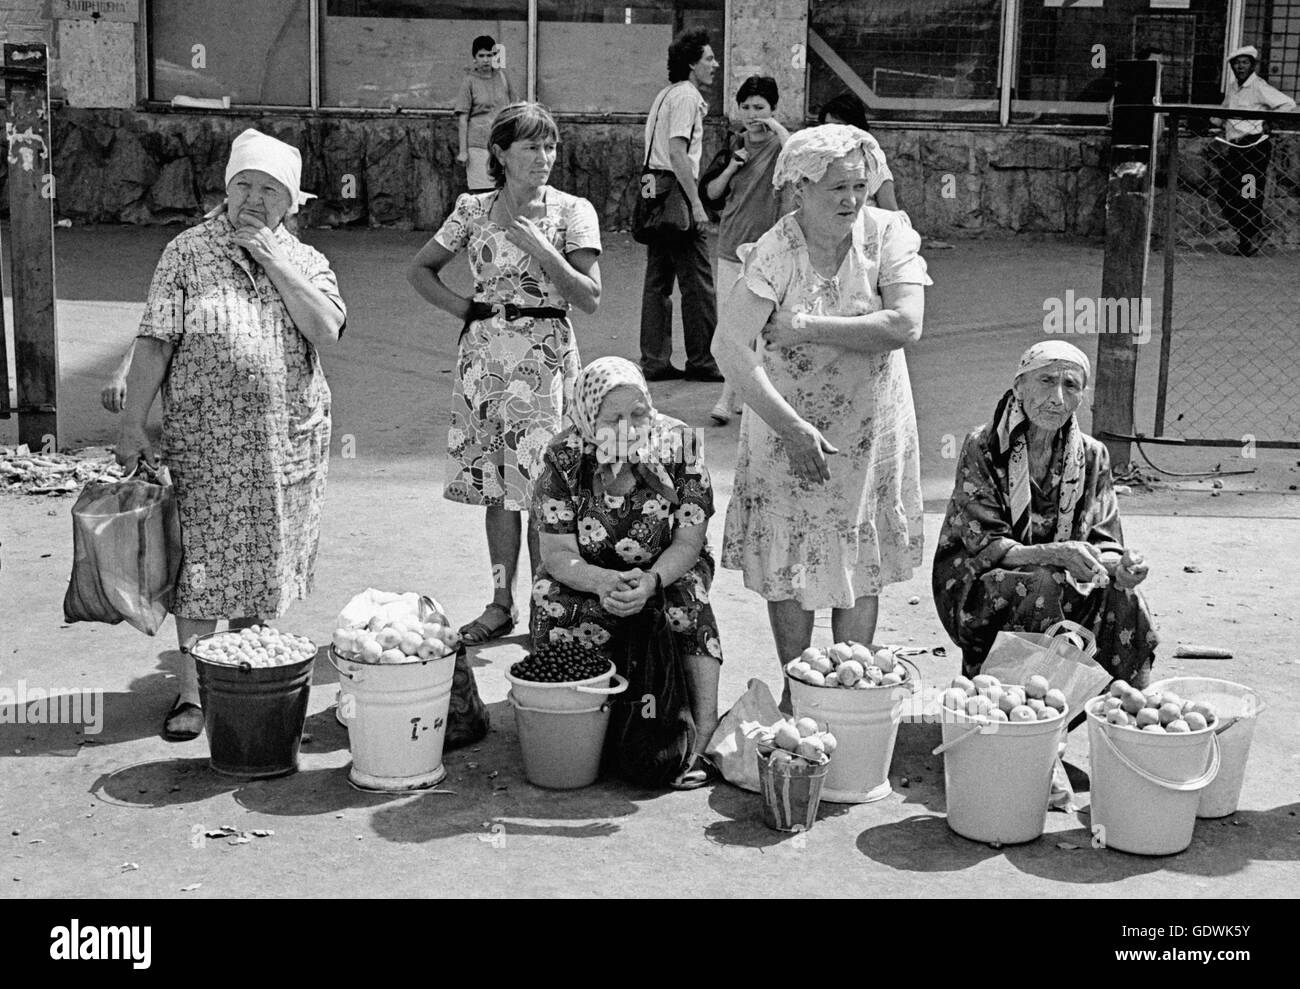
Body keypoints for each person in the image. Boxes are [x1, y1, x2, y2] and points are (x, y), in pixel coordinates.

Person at [114, 128, 346, 741]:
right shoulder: (185, 253)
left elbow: (325, 331)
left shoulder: (308, 262)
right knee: (200, 564)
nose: (253, 198)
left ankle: (241, 679)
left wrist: (272, 257)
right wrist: (133, 423)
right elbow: (154, 340)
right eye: (243, 184)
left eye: (269, 189)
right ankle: (192, 692)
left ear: (291, 202)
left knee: (263, 560)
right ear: (226, 188)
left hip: (286, 443)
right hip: (203, 442)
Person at [711, 124, 930, 711]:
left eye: (860, 185)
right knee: (790, 557)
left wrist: (804, 326)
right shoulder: (774, 251)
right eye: (836, 187)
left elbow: (905, 325)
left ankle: (848, 692)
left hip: (870, 432)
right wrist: (793, 428)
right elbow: (729, 347)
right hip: (786, 431)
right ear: (799, 189)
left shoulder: (888, 238)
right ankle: (800, 691)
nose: (851, 200)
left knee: (859, 559)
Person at [408, 102, 602, 645]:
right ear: (499, 153)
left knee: (544, 488)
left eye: (551, 147)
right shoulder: (473, 210)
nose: (544, 158)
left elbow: (589, 297)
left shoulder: (572, 212)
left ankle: (549, 602)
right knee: (497, 491)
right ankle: (501, 603)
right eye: (531, 148)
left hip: (544, 364)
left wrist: (546, 253)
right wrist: (465, 310)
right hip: (486, 364)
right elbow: (419, 270)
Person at [530, 357, 722, 788]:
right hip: (588, 570)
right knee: (553, 602)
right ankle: (574, 728)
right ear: (586, 416)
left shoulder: (680, 445)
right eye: (612, 418)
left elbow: (689, 541)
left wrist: (652, 580)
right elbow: (558, 552)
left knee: (687, 608)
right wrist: (601, 582)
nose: (628, 428)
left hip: (665, 566)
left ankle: (702, 736)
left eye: (638, 414)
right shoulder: (563, 457)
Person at [931, 341, 1158, 688]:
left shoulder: (1092, 454)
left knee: (1123, 597)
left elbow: (1103, 539)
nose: (1057, 398)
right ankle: (1015, 699)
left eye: (1070, 386)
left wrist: (1122, 566)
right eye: (1046, 381)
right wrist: (1056, 555)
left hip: (1062, 578)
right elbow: (984, 543)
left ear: (1082, 396)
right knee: (1041, 579)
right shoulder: (984, 445)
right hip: (981, 581)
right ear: (1019, 386)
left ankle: (1121, 710)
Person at [698, 75, 791, 426]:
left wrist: (776, 127)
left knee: (754, 327)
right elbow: (712, 193)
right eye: (747, 107)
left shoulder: (780, 146)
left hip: (766, 248)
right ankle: (737, 393)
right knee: (729, 325)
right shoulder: (732, 146)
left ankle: (729, 396)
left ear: (772, 110)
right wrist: (734, 165)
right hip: (730, 244)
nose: (753, 114)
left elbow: (796, 153)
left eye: (760, 108)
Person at [639, 28, 724, 383]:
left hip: (652, 189)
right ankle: (703, 360)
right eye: (708, 58)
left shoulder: (666, 95)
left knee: (658, 280)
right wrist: (697, 205)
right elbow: (677, 152)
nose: (715, 64)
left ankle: (655, 360)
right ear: (691, 64)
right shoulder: (687, 96)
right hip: (674, 193)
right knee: (698, 281)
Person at [1210, 45, 1296, 256]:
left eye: (1245, 62)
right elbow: (1223, 112)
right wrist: (1212, 121)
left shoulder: (1258, 86)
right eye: (1237, 63)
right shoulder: (1233, 87)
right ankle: (1247, 231)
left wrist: (1268, 119)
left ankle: (1248, 238)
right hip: (1235, 148)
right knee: (1226, 192)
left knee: (1249, 191)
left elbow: (1288, 103)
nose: (1240, 66)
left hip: (1253, 149)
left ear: (1252, 65)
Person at [817, 93, 900, 211]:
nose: (832, 132)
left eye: (839, 126)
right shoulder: (818, 161)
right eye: (827, 126)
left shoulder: (872, 162)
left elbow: (891, 212)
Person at [456, 35, 515, 194]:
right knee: (481, 193)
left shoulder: (502, 77)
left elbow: (512, 111)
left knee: (502, 191)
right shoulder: (469, 81)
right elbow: (463, 119)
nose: (485, 60)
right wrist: (463, 151)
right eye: (481, 56)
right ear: (474, 58)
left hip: (501, 145)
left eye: (489, 55)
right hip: (478, 145)